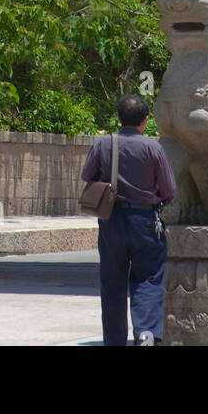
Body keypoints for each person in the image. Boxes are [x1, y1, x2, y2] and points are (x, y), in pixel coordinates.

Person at [81, 94, 176, 347]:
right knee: (148, 277)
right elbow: (168, 189)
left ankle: (114, 341)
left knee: (112, 281)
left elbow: (87, 175)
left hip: (111, 219)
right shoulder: (153, 148)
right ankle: (145, 333)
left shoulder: (103, 144)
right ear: (145, 120)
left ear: (119, 118)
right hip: (145, 219)